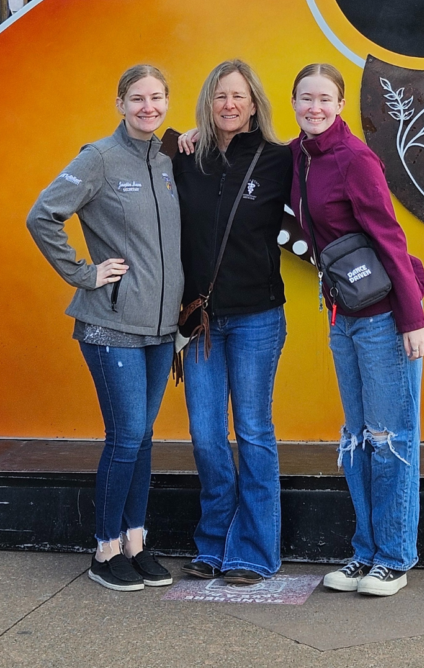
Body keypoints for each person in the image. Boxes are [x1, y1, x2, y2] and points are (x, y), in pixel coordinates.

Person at [26, 64, 183, 592]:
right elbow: (42, 216)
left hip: (161, 328)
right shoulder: (97, 158)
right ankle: (105, 550)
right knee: (127, 436)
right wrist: (82, 273)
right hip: (110, 323)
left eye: (156, 97)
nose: (147, 107)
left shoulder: (167, 161)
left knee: (143, 438)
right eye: (136, 98)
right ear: (119, 103)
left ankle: (135, 543)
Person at [289, 63, 424, 597]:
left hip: (385, 318)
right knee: (359, 440)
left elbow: (390, 237)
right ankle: (365, 550)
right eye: (306, 98)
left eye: (325, 99)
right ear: (296, 102)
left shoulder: (356, 158)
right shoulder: (299, 156)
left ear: (341, 104)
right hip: (342, 316)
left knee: (390, 437)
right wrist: (181, 139)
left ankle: (394, 556)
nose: (315, 108)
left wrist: (412, 318)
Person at [174, 60, 292, 586]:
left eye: (238, 96)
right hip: (199, 323)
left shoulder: (279, 159)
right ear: (209, 101)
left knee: (253, 431)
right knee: (205, 435)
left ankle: (253, 551)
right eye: (220, 96)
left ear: (253, 103)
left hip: (257, 318)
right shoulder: (185, 158)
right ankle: (214, 542)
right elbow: (148, 136)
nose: (229, 104)